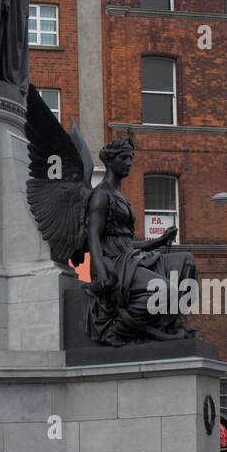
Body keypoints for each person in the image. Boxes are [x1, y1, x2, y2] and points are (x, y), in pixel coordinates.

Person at [86, 137, 199, 345]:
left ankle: (176, 324)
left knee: (187, 262)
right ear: (110, 161)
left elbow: (128, 244)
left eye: (131, 157)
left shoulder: (121, 197)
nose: (129, 162)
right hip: (113, 263)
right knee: (163, 290)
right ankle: (118, 329)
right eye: (124, 157)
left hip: (131, 258)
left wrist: (160, 240)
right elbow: (92, 236)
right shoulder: (100, 195)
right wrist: (101, 274)